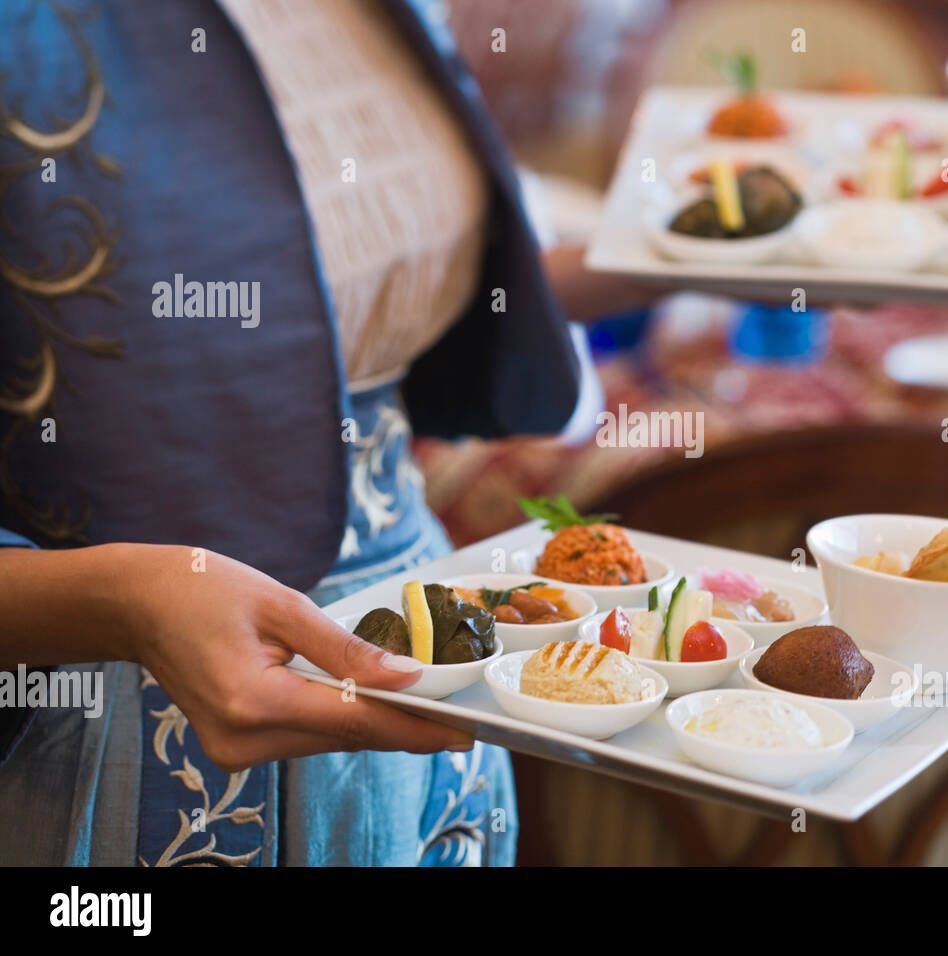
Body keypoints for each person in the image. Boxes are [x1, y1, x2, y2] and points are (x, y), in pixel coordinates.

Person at [0, 0, 643, 866]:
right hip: (109, 750)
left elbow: (359, 320)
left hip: (421, 694)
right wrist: (121, 601)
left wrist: (677, 257)